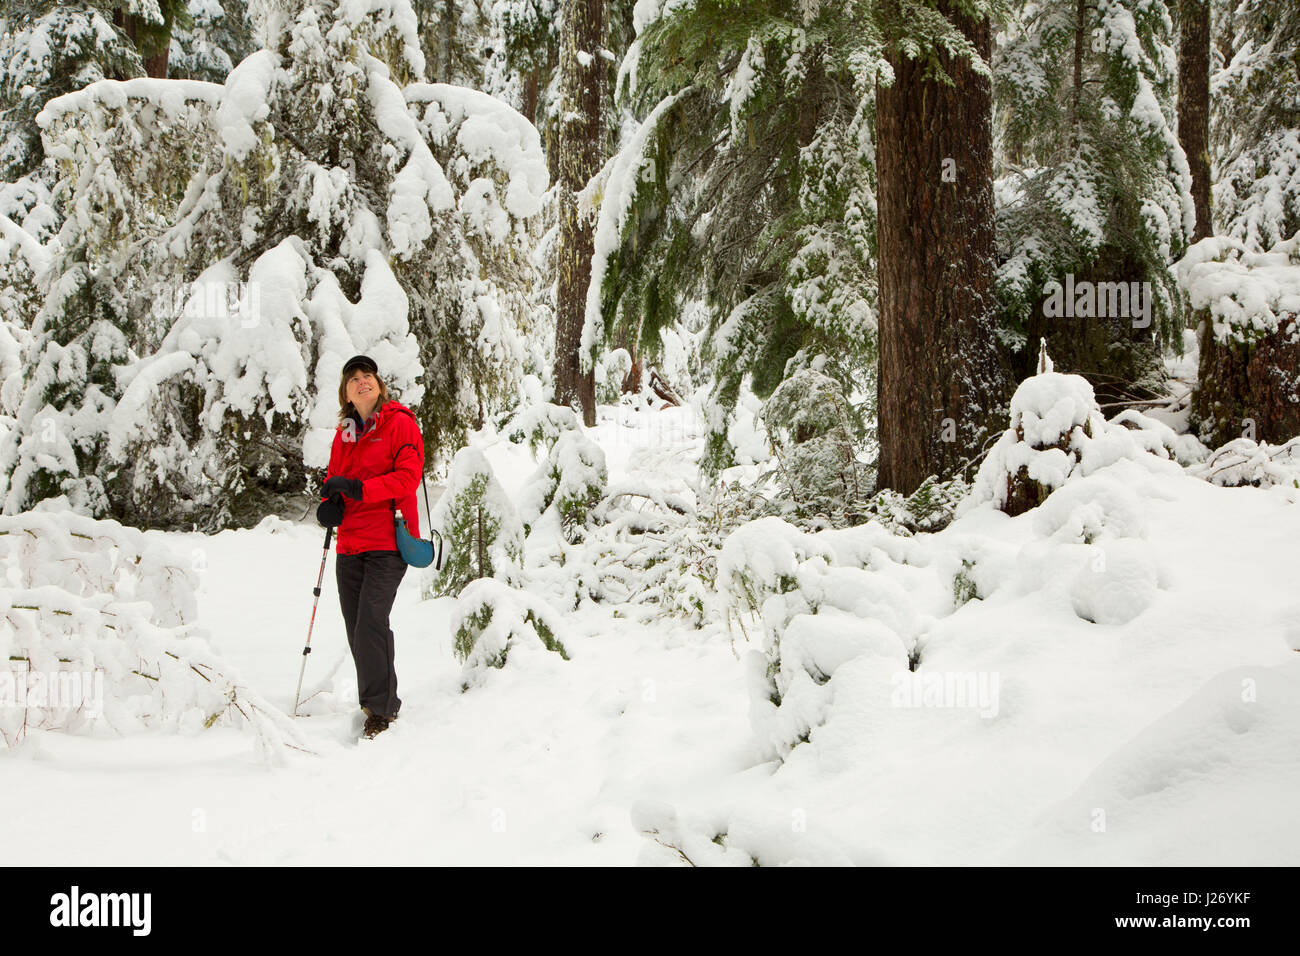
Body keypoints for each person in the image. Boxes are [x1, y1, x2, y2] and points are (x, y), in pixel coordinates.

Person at [316, 355, 424, 740]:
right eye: (353, 378)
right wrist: (332, 503)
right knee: (356, 628)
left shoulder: (399, 424)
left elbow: (407, 479)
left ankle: (381, 709)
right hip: (350, 544)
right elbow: (336, 477)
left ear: (378, 385)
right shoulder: (344, 432)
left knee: (370, 624)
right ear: (345, 392)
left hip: (388, 542)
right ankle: (373, 700)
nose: (362, 382)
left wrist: (359, 490)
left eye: (368, 376)